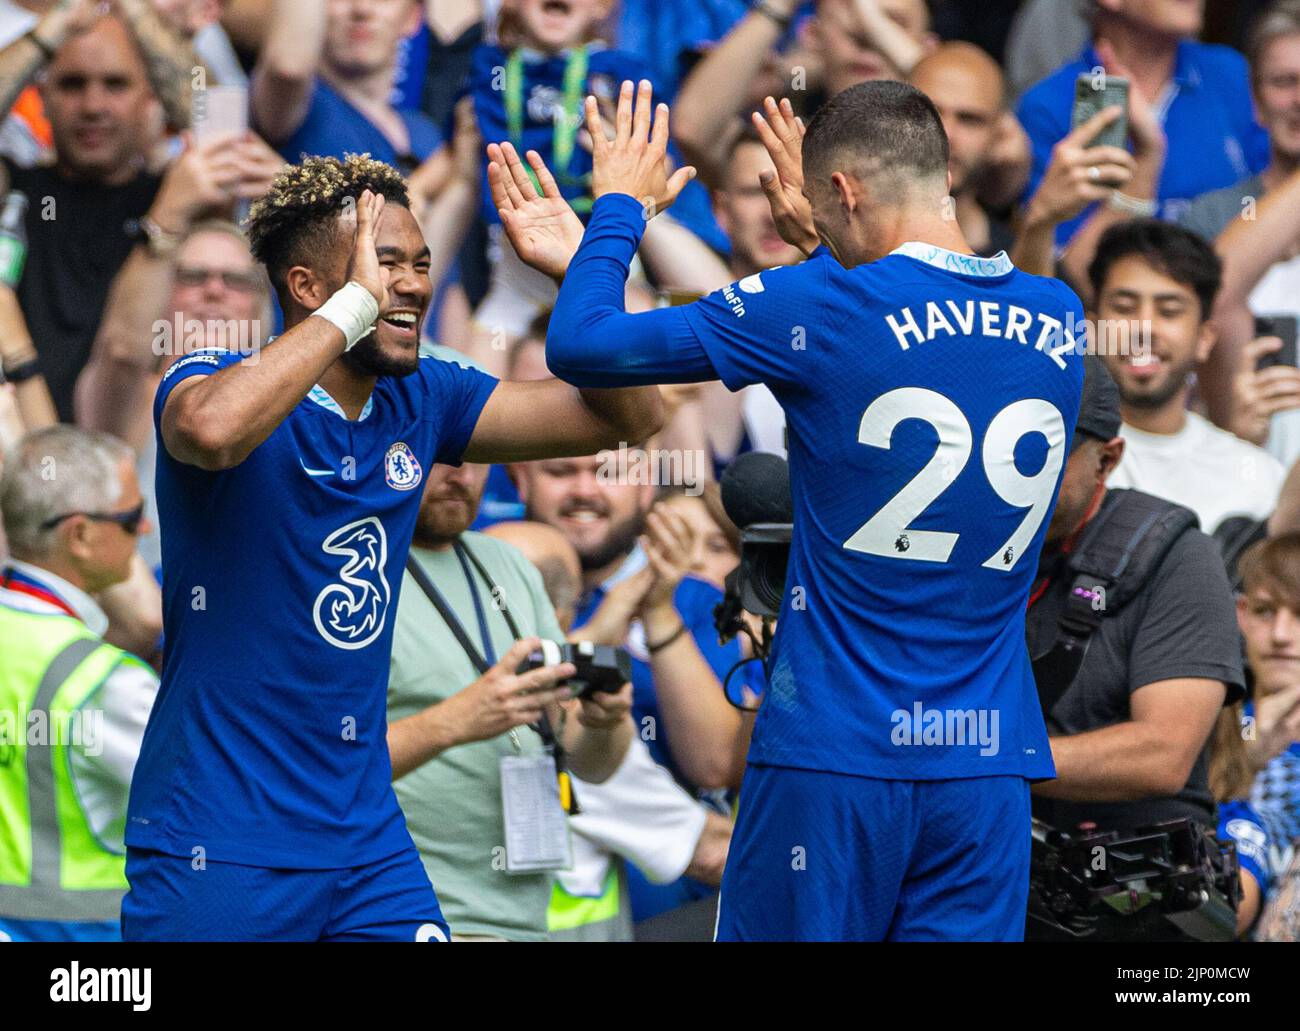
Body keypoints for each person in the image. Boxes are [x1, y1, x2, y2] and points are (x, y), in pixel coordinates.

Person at [493, 78, 1086, 940]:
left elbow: (582, 342)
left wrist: (617, 208)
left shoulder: (817, 304)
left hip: (835, 756)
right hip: (984, 764)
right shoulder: (1061, 316)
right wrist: (827, 251)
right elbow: (914, 337)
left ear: (841, 192)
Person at [119, 149, 663, 941]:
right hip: (220, 836)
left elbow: (630, 419)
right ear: (308, 288)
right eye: (385, 264)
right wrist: (346, 314)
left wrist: (584, 268)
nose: (410, 283)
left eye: (419, 264)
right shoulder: (210, 377)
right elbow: (211, 430)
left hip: (366, 841)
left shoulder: (424, 393)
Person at [1023, 358, 1245, 941]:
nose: (1019, 472)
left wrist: (978, 762)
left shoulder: (1177, 558)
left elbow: (1162, 753)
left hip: (1133, 912)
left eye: (1047, 452)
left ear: (1108, 458)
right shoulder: (949, 542)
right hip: (987, 889)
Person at [386, 457, 634, 941]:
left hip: (526, 923)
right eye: (439, 454)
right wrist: (454, 721)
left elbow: (589, 763)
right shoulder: (345, 570)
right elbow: (313, 767)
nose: (459, 474)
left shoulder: (508, 564)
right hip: (410, 917)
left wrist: (603, 722)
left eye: (473, 457)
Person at [0, 426, 158, 942]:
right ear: (80, 535)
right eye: (131, 518)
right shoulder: (107, 683)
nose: (147, 529)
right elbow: (208, 807)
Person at [1017, 0, 1269, 249]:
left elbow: (1267, 195)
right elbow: (1065, 277)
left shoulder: (1230, 74)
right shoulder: (1048, 105)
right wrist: (1147, 156)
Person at [1088, 218, 1285, 533]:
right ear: (1092, 328)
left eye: (1169, 311)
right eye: (1124, 308)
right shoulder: (1059, 456)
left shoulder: (1260, 478)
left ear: (1205, 339)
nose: (1144, 328)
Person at [252, 0, 438, 174]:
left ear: (413, 17)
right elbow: (289, 67)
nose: (362, 9)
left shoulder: (425, 133)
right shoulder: (300, 105)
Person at [1232, 535, 1300, 911]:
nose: (1281, 636)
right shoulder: (1210, 729)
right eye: (1265, 611)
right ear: (1241, 613)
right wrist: (1243, 762)